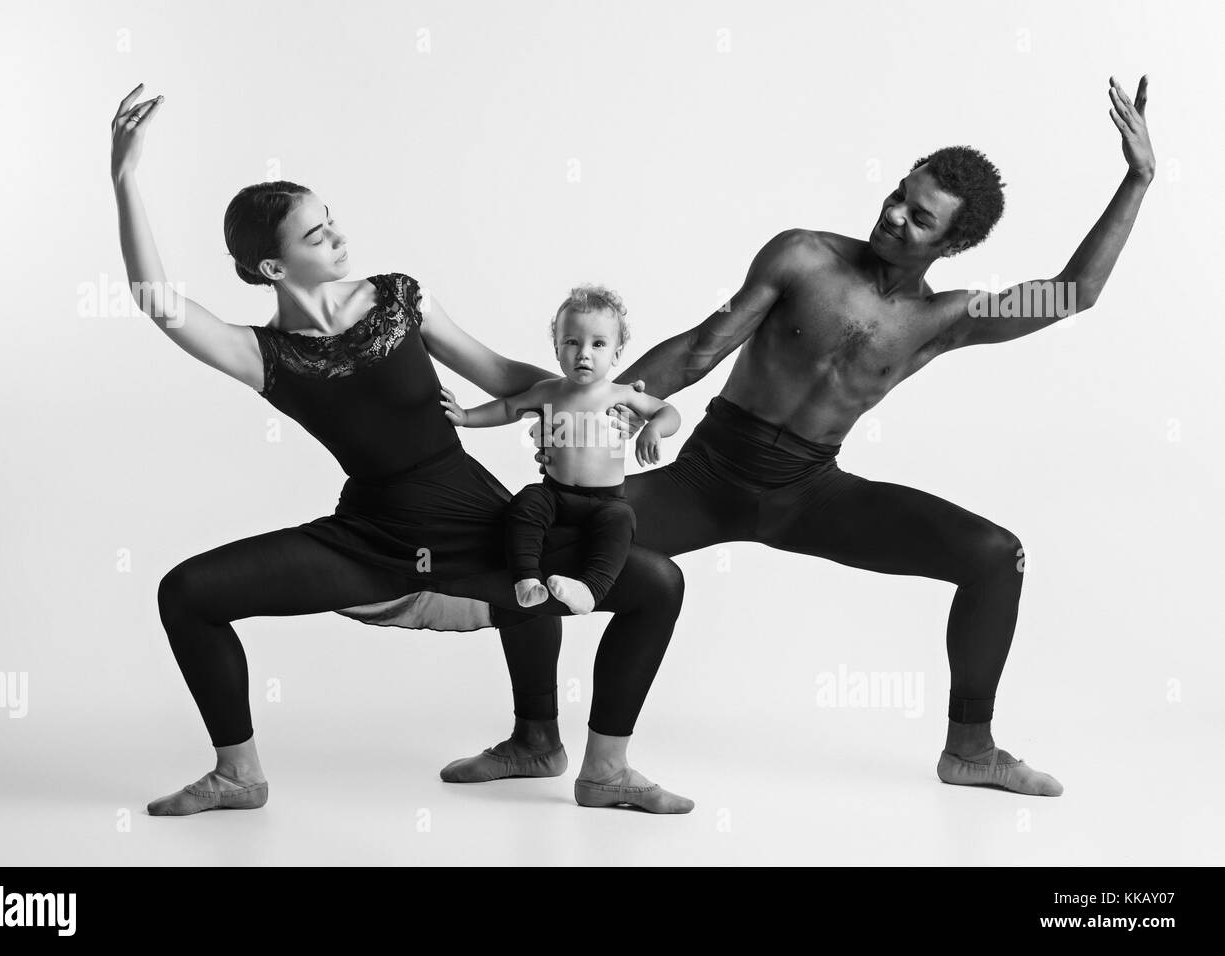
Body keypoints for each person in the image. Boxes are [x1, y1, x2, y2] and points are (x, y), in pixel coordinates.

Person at [433, 75, 1156, 796]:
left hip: (809, 494)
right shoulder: (804, 255)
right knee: (524, 542)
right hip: (707, 477)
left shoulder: (949, 316)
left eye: (920, 217)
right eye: (899, 194)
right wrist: (606, 412)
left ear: (954, 241)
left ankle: (970, 749)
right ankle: (535, 740)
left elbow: (1075, 293)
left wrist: (1137, 178)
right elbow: (700, 348)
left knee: (997, 556)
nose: (896, 215)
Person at [109, 83, 693, 816]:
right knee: (187, 593)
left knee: (653, 583)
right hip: (371, 537)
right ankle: (237, 774)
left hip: (471, 513)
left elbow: (496, 373)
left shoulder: (398, 297)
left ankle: (573, 757)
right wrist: (127, 178)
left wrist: (583, 398)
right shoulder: (266, 354)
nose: (335, 237)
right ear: (272, 268)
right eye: (313, 235)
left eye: (331, 222)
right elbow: (160, 304)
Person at [441, 284, 680, 614]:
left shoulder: (622, 395)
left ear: (617, 353)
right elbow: (509, 408)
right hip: (554, 493)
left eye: (598, 344)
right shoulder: (547, 391)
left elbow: (669, 412)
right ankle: (526, 580)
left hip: (606, 500)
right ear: (556, 349)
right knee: (526, 502)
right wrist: (467, 416)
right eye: (572, 342)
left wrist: (653, 428)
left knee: (621, 521)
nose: (584, 353)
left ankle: (589, 590)